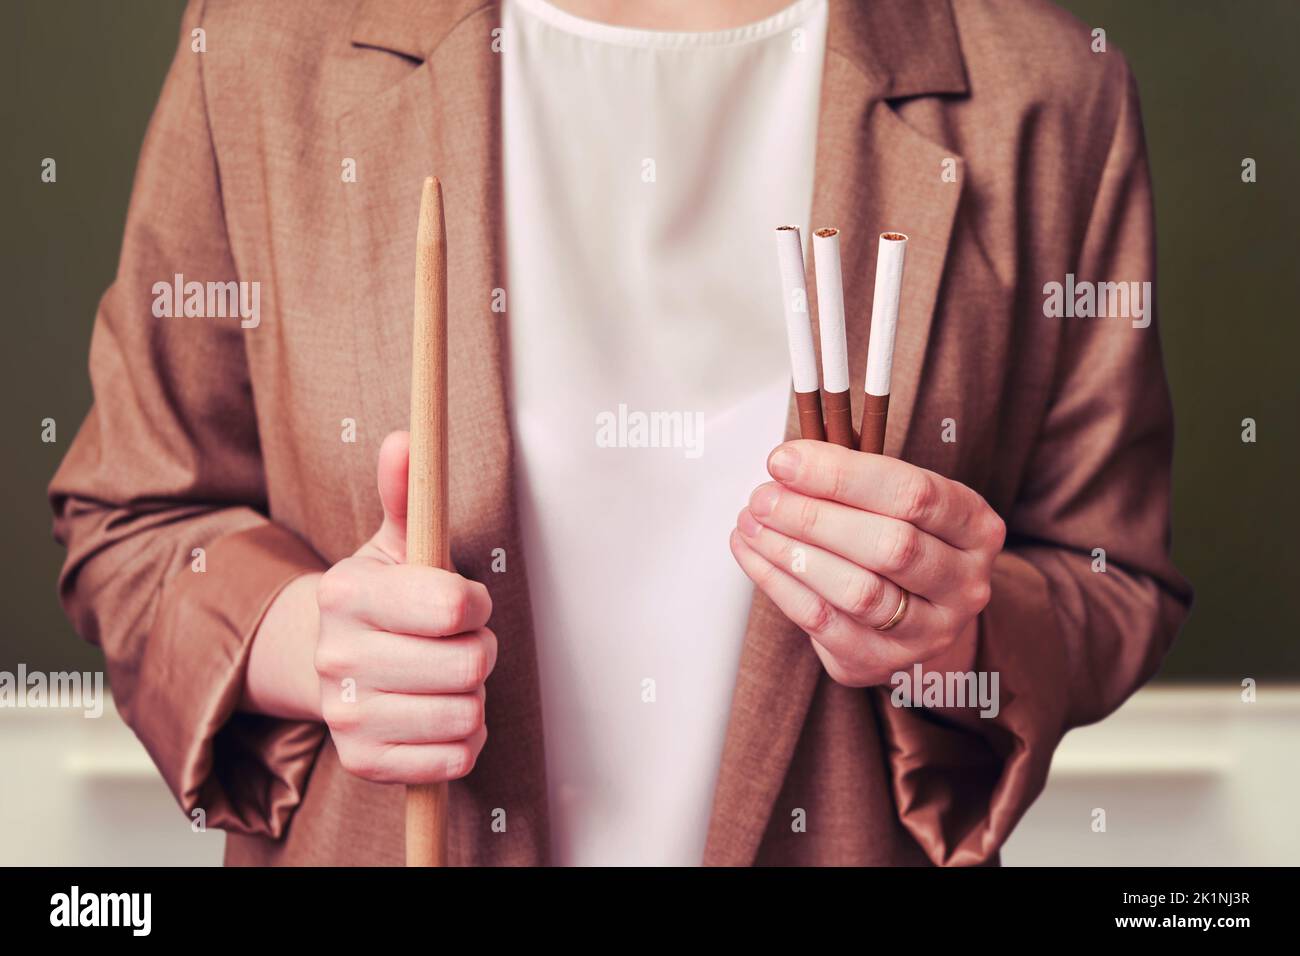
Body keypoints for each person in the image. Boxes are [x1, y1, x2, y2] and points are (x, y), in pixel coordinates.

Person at [49, 0, 1191, 866]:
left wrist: (951, 633)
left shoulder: (1046, 87)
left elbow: (1114, 573)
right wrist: (308, 640)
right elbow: (133, 519)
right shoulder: (264, 43)